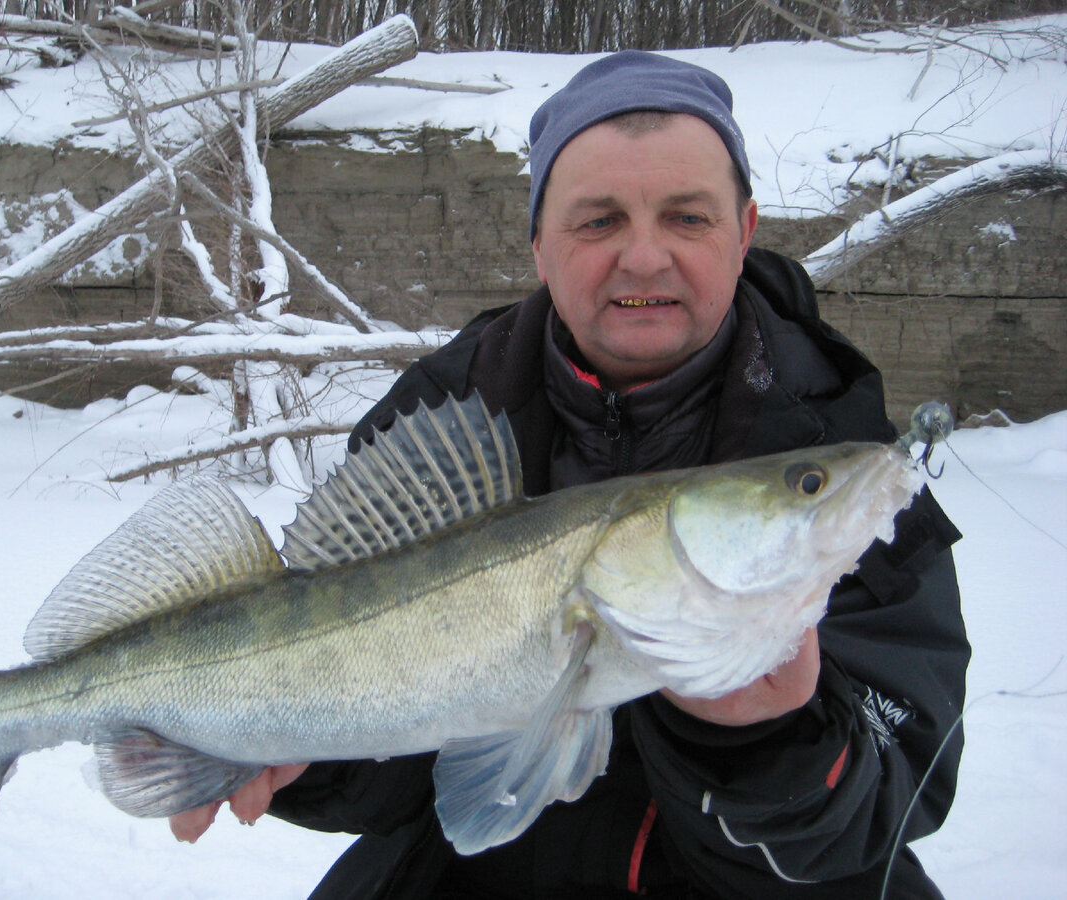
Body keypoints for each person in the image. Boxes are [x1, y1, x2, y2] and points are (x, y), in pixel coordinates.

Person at [170, 51, 969, 899]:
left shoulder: (840, 451)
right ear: (539, 246)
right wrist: (311, 756)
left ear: (745, 232)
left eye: (688, 218)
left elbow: (901, 787)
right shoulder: (445, 421)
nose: (646, 257)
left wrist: (772, 744)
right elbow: (416, 781)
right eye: (598, 222)